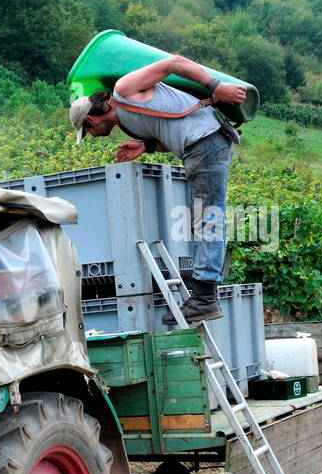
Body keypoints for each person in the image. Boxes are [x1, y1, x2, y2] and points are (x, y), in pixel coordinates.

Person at [68, 55, 248, 324]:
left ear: (91, 120)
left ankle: (205, 297)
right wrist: (146, 146)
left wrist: (215, 87)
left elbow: (172, 63)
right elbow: (173, 126)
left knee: (208, 220)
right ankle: (203, 294)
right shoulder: (129, 123)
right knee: (203, 221)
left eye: (89, 133)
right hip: (199, 146)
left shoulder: (125, 90)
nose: (95, 136)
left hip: (205, 143)